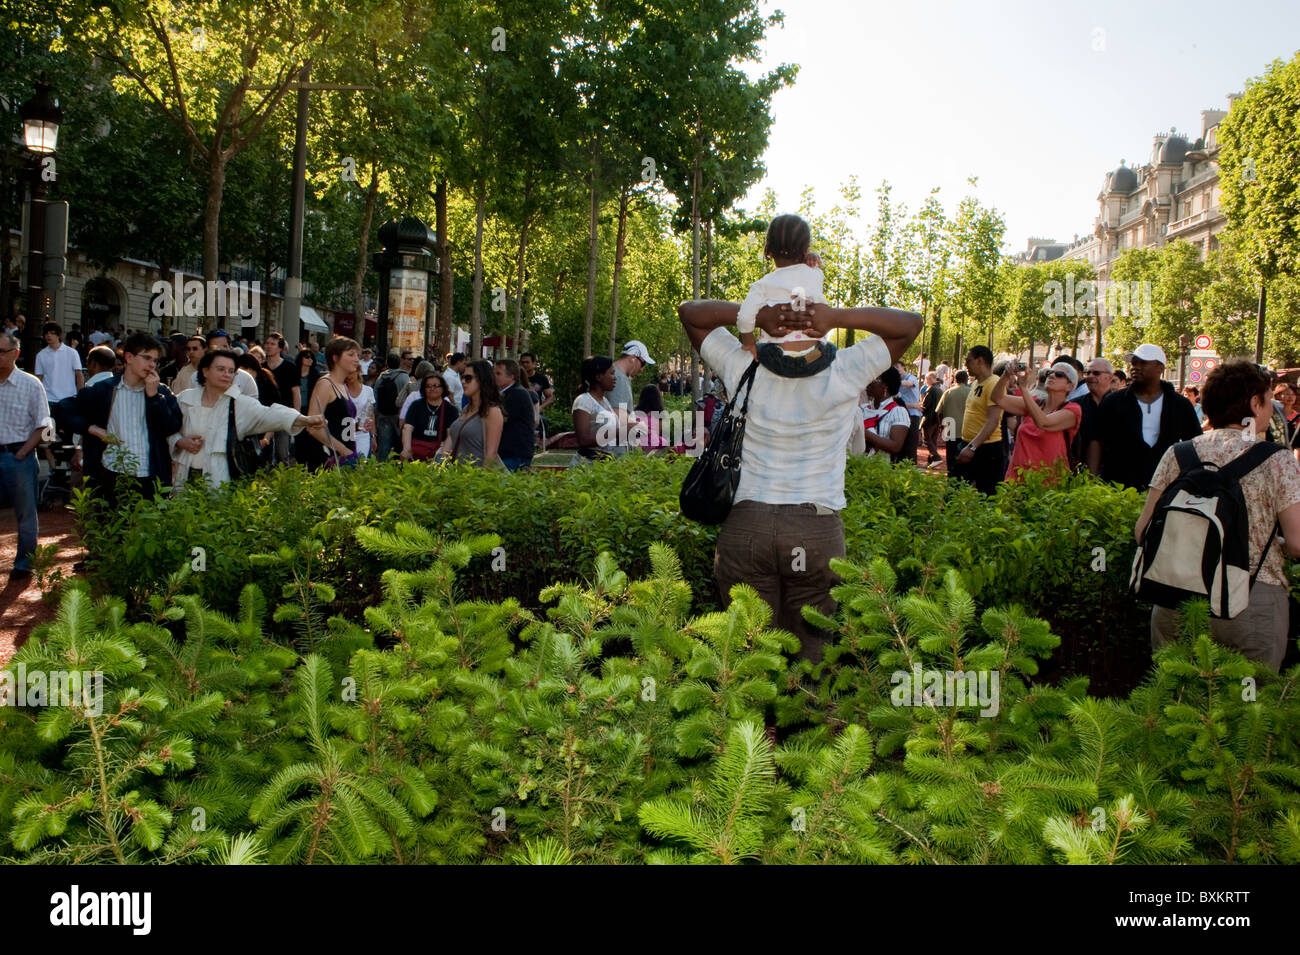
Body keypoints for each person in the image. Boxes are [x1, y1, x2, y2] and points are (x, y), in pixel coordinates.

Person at [679, 295, 922, 663]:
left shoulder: (743, 361)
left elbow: (691, 313)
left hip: (748, 525)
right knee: (812, 653)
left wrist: (758, 314)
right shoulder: (845, 366)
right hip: (815, 529)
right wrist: (836, 317)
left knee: (748, 651)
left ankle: (753, 721)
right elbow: (910, 323)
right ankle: (802, 715)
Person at [1137, 360, 1300, 670]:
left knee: (1175, 701)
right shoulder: (1278, 460)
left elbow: (1142, 529)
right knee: (1251, 708)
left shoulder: (1179, 453)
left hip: (1176, 597)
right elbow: (1297, 544)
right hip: (1252, 600)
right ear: (1254, 403)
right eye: (1268, 398)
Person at [56, 332, 182, 506]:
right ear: (129, 357)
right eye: (147, 358)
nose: (152, 365)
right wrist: (92, 429)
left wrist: (153, 398)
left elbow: (172, 426)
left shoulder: (161, 392)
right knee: (111, 528)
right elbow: (63, 410)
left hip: (151, 475)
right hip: (111, 473)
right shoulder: (105, 389)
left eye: (155, 360)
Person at [172, 350, 323, 488]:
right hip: (185, 475)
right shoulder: (185, 399)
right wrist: (179, 441)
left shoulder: (240, 403)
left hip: (219, 479)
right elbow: (167, 430)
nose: (226, 374)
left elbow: (272, 414)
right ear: (205, 371)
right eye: (220, 369)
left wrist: (305, 420)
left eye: (231, 371)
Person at [1087, 344, 1201, 491]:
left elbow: (1194, 443)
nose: (1136, 367)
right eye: (1134, 363)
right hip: (1117, 485)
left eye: (1143, 363)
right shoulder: (1113, 401)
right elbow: (1096, 440)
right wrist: (1092, 480)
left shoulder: (1179, 404)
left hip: (1164, 486)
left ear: (1160, 368)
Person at [735, 214, 827, 365]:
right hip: (813, 358)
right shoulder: (816, 275)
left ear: (768, 250)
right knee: (829, 350)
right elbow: (812, 270)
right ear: (806, 249)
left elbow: (744, 318)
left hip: (777, 360)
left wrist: (749, 343)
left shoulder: (763, 284)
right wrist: (809, 257)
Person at [0, 330, 50, 576]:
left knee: (26, 514)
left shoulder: (30, 384)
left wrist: (22, 452)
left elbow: (43, 424)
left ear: (16, 353)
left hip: (17, 456)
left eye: (2, 351)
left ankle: (23, 566)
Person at [991, 362, 1081, 483]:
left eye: (1059, 374)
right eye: (1049, 373)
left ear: (1070, 386)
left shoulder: (1072, 410)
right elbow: (997, 398)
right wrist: (1005, 375)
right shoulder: (1034, 403)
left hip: (1048, 486)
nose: (1052, 376)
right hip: (1017, 482)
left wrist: (1023, 388)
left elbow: (1043, 423)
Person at [301, 338, 363, 470]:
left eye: (357, 355)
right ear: (335, 358)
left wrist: (358, 427)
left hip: (346, 456)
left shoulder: (342, 385)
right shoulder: (325, 384)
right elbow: (312, 427)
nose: (357, 359)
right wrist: (344, 450)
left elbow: (338, 421)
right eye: (351, 355)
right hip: (329, 460)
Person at [951, 346, 1004, 495]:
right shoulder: (975, 383)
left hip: (986, 448)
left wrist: (972, 447)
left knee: (986, 495)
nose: (966, 365)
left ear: (980, 361)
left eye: (968, 361)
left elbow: (993, 421)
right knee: (954, 491)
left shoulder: (994, 383)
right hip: (967, 444)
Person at [439, 359, 503, 467]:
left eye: (468, 378)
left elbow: (491, 454)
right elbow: (450, 440)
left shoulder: (492, 411)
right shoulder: (466, 409)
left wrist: (479, 480)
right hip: (456, 476)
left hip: (475, 478)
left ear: (482, 380)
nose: (463, 381)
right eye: (462, 377)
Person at [852, 366, 910, 461]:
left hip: (881, 471)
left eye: (875, 379)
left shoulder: (898, 412)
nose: (869, 383)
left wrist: (862, 430)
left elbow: (895, 446)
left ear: (885, 386)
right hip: (856, 467)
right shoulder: (862, 409)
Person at [400, 373, 458, 461]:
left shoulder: (450, 409)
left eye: (436, 386)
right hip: (416, 451)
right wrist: (406, 449)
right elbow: (407, 428)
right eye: (428, 386)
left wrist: (443, 455)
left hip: (439, 452)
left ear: (443, 388)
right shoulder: (416, 406)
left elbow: (451, 435)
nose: (432, 389)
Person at [572, 356, 620, 459]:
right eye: (611, 373)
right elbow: (583, 440)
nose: (615, 378)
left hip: (605, 464)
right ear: (598, 377)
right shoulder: (583, 401)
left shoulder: (605, 401)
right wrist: (618, 432)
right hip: (588, 464)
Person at [493, 358, 536, 471]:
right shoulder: (505, 393)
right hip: (507, 453)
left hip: (515, 454)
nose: (494, 376)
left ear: (511, 376)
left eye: (498, 373)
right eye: (494, 373)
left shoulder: (517, 393)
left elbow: (503, 419)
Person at [372, 352, 409, 462]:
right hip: (399, 415)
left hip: (383, 414)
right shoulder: (404, 377)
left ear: (387, 363)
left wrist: (376, 413)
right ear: (399, 363)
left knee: (384, 444)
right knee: (401, 443)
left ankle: (381, 467)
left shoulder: (381, 377)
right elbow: (407, 398)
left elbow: (375, 397)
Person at [34, 323, 84, 403]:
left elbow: (79, 375)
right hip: (48, 398)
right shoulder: (41, 355)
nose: (48, 335)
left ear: (58, 335)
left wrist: (81, 395)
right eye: (46, 333)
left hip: (69, 397)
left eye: (52, 333)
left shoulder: (72, 353)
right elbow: (39, 377)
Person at [610, 341, 655, 427]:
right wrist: (640, 427)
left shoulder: (621, 376)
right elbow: (617, 412)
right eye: (643, 364)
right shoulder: (618, 378)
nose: (642, 369)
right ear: (633, 358)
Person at [205, 329, 258, 397]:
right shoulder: (196, 377)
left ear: (230, 348)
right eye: (215, 348)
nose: (220, 350)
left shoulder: (246, 379)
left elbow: (253, 405)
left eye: (224, 346)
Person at [937, 369, 970, 470]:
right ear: (966, 379)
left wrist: (941, 426)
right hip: (967, 430)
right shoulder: (971, 392)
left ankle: (951, 479)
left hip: (950, 429)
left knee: (951, 458)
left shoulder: (948, 392)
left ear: (954, 379)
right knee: (966, 460)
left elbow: (939, 412)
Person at [346, 365, 376, 458]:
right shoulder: (341, 390)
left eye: (351, 373)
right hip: (345, 433)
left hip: (362, 434)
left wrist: (373, 436)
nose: (348, 376)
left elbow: (370, 415)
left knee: (361, 465)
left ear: (358, 372)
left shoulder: (368, 391)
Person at [896, 360, 923, 463]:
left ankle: (911, 466)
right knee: (900, 440)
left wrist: (893, 381)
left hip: (912, 415)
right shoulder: (898, 382)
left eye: (897, 367)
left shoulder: (912, 378)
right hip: (901, 413)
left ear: (903, 367)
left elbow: (909, 384)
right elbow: (899, 402)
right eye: (894, 368)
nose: (896, 370)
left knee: (911, 441)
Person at [633, 383, 669, 449]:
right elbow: (658, 432)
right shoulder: (658, 413)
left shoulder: (635, 411)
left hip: (638, 443)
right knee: (663, 441)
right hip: (653, 442)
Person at [920, 371, 944, 468]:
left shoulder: (930, 389)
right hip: (937, 419)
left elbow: (926, 405)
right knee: (933, 440)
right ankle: (931, 461)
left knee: (927, 439)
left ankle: (936, 458)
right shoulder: (939, 389)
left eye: (926, 379)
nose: (926, 381)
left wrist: (920, 407)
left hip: (929, 418)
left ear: (931, 379)